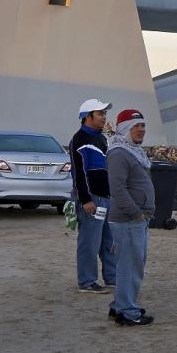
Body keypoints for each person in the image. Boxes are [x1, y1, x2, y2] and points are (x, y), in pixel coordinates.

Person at [105, 108, 156, 326]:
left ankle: (119, 306)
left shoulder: (133, 152)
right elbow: (117, 189)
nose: (141, 130)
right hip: (128, 220)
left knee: (131, 263)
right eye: (136, 126)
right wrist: (136, 214)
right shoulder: (118, 153)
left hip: (136, 219)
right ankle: (127, 311)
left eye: (143, 126)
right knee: (131, 265)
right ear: (125, 129)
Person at [68, 98, 116, 293]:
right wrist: (86, 200)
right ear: (87, 117)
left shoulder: (101, 138)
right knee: (90, 241)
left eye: (105, 113)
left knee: (109, 240)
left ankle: (112, 278)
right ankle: (87, 282)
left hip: (107, 197)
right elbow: (78, 174)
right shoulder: (79, 140)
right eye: (100, 114)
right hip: (92, 199)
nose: (104, 117)